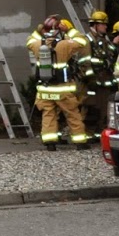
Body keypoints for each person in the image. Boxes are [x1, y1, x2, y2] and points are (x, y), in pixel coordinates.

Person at [31, 19, 92, 150]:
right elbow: (82, 41)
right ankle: (80, 142)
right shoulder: (64, 45)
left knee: (48, 115)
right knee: (72, 114)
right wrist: (69, 30)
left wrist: (41, 28)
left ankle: (50, 143)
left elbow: (30, 39)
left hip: (44, 90)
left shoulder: (36, 45)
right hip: (62, 90)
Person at [78, 10, 119, 133]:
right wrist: (91, 80)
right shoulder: (87, 40)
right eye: (103, 24)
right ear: (95, 25)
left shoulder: (103, 40)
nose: (106, 26)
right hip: (91, 82)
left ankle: (98, 133)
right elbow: (85, 62)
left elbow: (110, 54)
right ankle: (86, 133)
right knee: (90, 108)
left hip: (103, 80)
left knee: (102, 108)